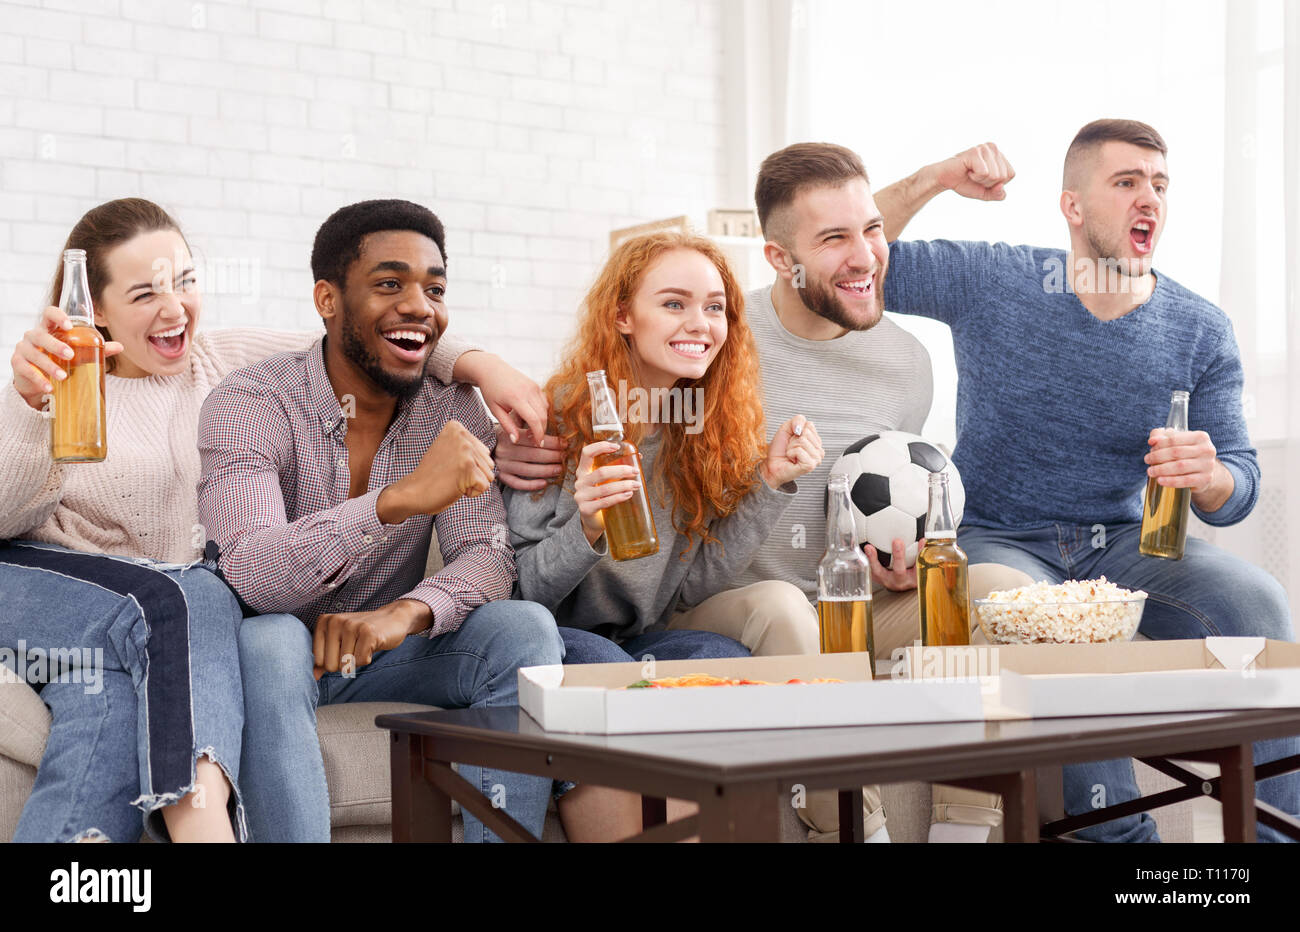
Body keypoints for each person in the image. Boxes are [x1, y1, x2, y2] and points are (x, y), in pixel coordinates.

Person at [497, 145, 1032, 843]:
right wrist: (518, 440)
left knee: (993, 586)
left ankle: (968, 828)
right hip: (735, 607)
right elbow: (605, 426)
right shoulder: (717, 346)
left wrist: (908, 551)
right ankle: (847, 822)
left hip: (849, 600)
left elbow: (897, 485)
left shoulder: (902, 362)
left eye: (871, 230)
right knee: (780, 608)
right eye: (833, 238)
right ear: (781, 260)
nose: (865, 255)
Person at [874, 118, 1298, 842]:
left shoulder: (1199, 328)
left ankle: (1279, 835)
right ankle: (1121, 845)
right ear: (1073, 205)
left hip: (1129, 549)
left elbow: (1241, 484)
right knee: (1042, 617)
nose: (1150, 200)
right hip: (1001, 539)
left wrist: (1214, 478)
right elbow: (857, 258)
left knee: (1255, 597)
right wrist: (935, 179)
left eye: (1160, 185)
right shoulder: (996, 279)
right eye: (1126, 182)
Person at [198, 199, 565, 843]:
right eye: (389, 284)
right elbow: (255, 575)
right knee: (272, 638)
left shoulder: (449, 409)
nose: (420, 304)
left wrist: (406, 614)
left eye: (435, 288)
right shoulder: (249, 401)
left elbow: (488, 556)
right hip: (278, 654)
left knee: (524, 628)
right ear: (327, 299)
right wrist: (398, 499)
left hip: (382, 652)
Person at [507, 232, 825, 840]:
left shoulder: (704, 431)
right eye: (674, 303)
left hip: (641, 638)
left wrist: (768, 482)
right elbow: (521, 597)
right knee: (606, 667)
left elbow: (686, 588)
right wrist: (588, 528)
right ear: (623, 316)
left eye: (715, 307)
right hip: (556, 639)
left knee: (723, 662)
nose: (700, 323)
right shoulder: (555, 423)